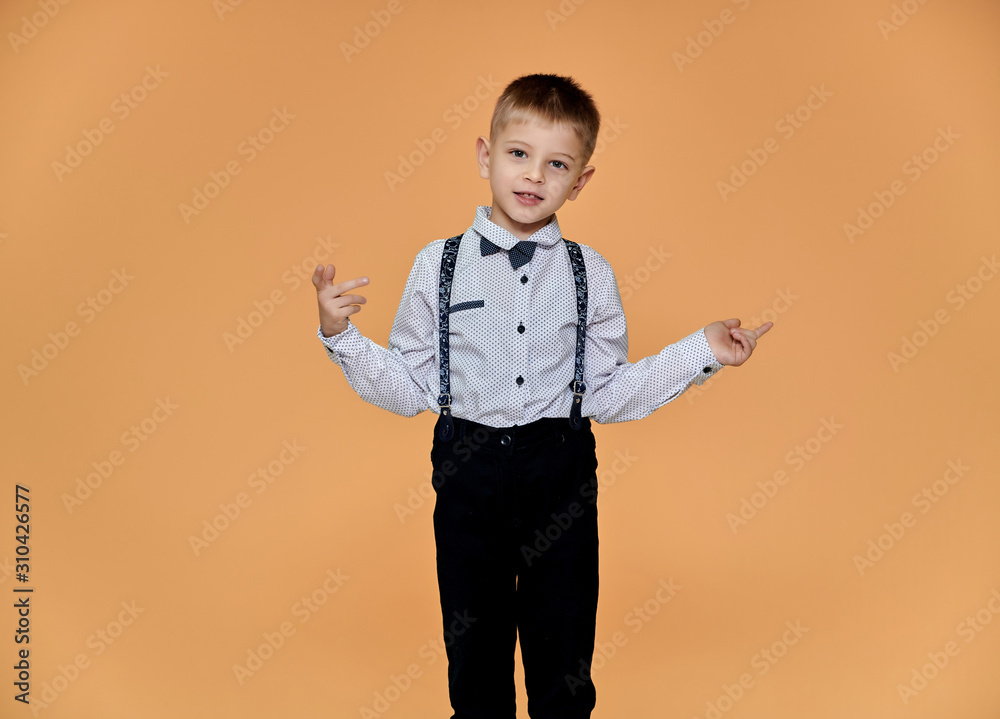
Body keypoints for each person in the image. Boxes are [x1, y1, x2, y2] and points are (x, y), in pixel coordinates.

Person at [312, 73, 772, 719]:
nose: (533, 175)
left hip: (559, 468)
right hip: (468, 466)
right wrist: (342, 336)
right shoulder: (436, 266)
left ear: (580, 180)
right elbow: (409, 389)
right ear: (485, 155)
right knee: (476, 657)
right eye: (518, 153)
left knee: (563, 655)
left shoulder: (591, 274)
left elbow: (610, 394)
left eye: (556, 163)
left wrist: (701, 349)